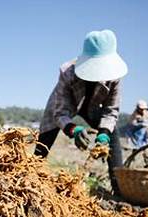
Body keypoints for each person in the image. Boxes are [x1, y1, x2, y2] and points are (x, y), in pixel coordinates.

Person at [34, 29, 128, 195]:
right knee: (45, 138)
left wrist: (104, 132)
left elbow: (111, 109)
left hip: (94, 107)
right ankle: (31, 177)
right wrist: (73, 129)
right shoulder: (68, 72)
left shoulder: (114, 76)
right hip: (67, 103)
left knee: (113, 136)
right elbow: (60, 111)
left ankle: (119, 187)